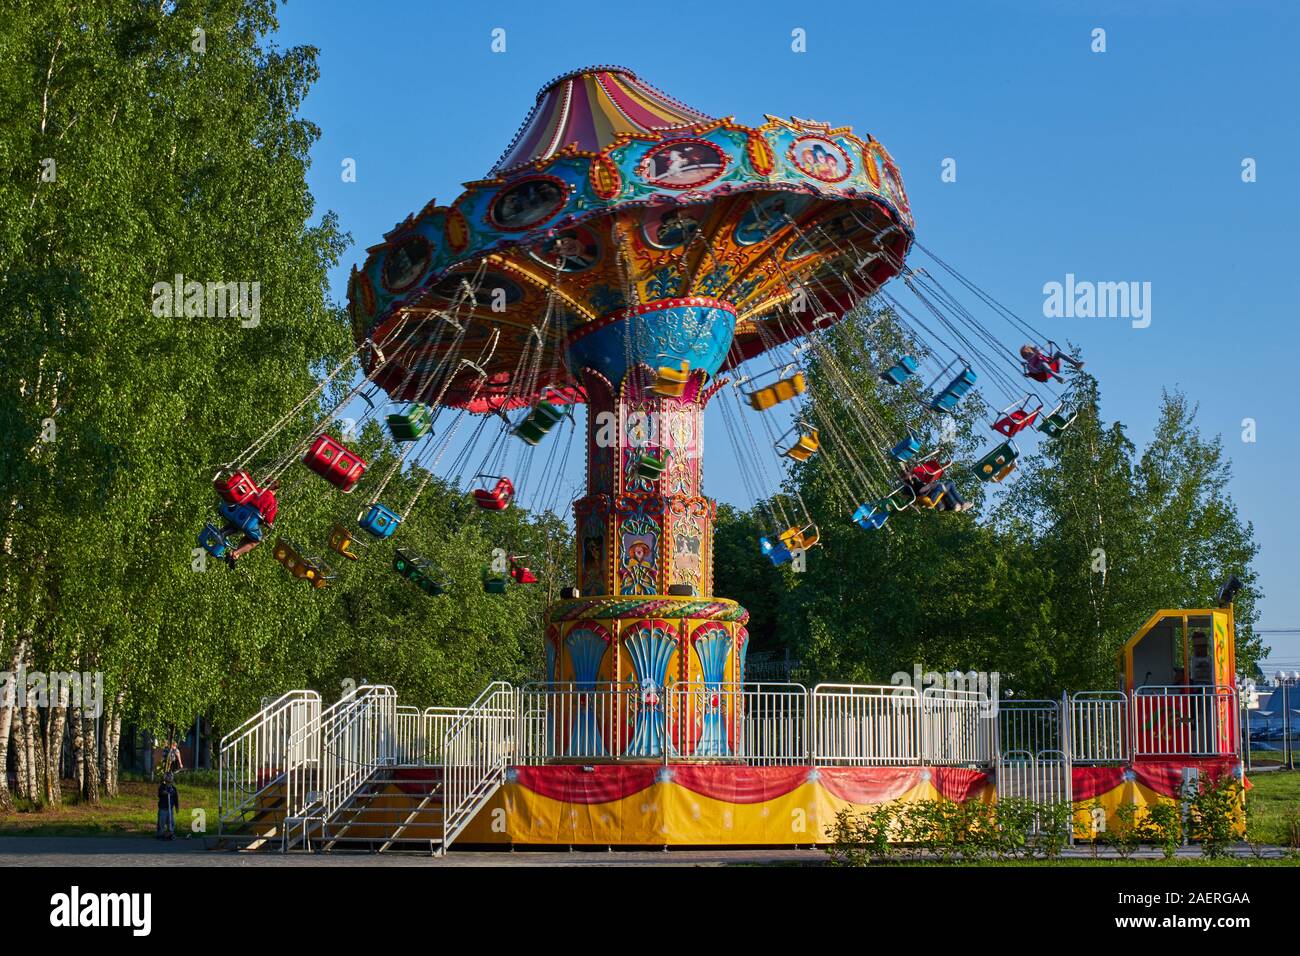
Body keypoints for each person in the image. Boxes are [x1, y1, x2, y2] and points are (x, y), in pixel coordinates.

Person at [223, 478, 279, 565]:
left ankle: (222, 535)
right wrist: (269, 525)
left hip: (238, 515)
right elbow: (268, 519)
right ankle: (235, 553)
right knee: (256, 539)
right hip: (248, 522)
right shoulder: (273, 502)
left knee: (236, 525)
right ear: (275, 490)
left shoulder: (257, 491)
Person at [157, 772, 179, 840]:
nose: (169, 778)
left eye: (170, 776)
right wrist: (164, 792)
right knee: (162, 822)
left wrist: (177, 807)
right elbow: (160, 793)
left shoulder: (174, 788)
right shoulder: (162, 786)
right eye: (168, 776)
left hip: (170, 809)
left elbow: (176, 798)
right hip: (163, 808)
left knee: (171, 821)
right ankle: (161, 833)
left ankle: (171, 833)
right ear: (165, 778)